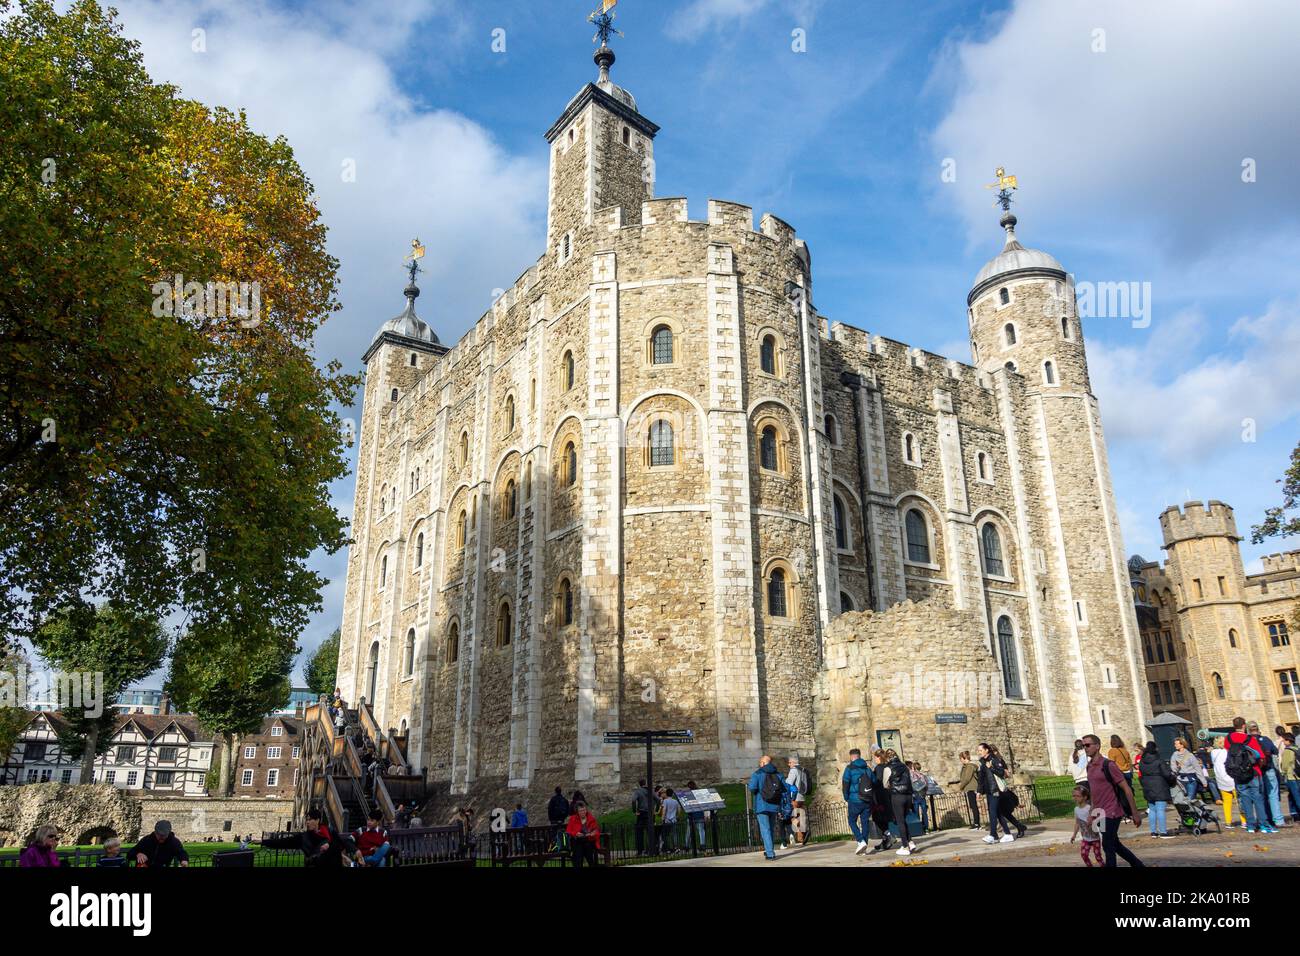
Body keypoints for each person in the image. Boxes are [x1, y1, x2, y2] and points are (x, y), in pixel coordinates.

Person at [1082, 734, 1144, 867]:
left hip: (1112, 811)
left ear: (1097, 746)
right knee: (1114, 844)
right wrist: (1091, 813)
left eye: (1087, 745)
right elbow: (1094, 792)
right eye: (1083, 746)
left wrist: (1135, 813)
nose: (1085, 748)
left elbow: (1126, 789)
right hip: (1099, 813)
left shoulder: (1108, 765)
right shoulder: (1089, 767)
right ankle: (1138, 865)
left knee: (1107, 845)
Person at [1225, 717, 1272, 834]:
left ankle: (1250, 825)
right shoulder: (1249, 738)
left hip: (1238, 774)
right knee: (1258, 799)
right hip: (1253, 772)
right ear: (1244, 726)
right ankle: (1263, 825)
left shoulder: (1228, 739)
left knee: (1245, 800)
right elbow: (1259, 756)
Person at [977, 743, 1017, 845]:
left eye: (981, 750)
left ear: (987, 750)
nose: (979, 752)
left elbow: (1002, 773)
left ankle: (992, 835)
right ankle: (1007, 834)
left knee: (993, 812)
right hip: (989, 790)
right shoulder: (982, 763)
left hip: (995, 790)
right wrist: (979, 792)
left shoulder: (994, 760)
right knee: (998, 812)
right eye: (978, 750)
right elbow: (981, 779)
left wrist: (991, 768)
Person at [880, 749, 918, 856]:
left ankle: (905, 846)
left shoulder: (888, 768)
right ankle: (910, 842)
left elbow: (884, 784)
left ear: (887, 758)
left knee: (899, 821)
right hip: (908, 795)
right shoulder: (904, 766)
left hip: (897, 796)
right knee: (903, 819)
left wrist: (891, 786)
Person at [747, 754, 785, 860]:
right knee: (771, 829)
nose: (760, 764)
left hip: (761, 804)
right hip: (774, 805)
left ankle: (770, 853)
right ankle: (769, 849)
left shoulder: (757, 774)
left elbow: (752, 788)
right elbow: (784, 787)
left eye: (760, 762)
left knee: (765, 829)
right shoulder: (778, 774)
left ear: (763, 763)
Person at [1250, 721, 1286, 828]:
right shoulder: (1265, 739)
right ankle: (1278, 820)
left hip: (1256, 772)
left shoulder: (1248, 741)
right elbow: (1274, 751)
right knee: (1273, 794)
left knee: (1260, 796)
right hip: (1269, 769)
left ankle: (1265, 819)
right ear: (1258, 730)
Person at [1138, 741, 1176, 838]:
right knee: (1160, 809)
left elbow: (1141, 773)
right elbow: (1167, 774)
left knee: (1152, 809)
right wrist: (1172, 778)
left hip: (1147, 786)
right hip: (1159, 786)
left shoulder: (1142, 761)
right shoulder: (1159, 761)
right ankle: (1163, 832)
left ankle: (1153, 832)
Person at [841, 748, 874, 854]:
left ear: (851, 757)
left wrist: (846, 797)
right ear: (859, 756)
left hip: (854, 800)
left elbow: (845, 784)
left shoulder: (849, 768)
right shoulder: (867, 768)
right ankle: (864, 847)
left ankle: (860, 841)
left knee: (851, 820)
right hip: (867, 799)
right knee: (865, 823)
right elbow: (874, 781)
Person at [1211, 736, 1247, 828]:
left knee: (1227, 802)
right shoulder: (1225, 752)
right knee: (1240, 800)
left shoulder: (1213, 753)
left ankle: (1228, 821)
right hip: (1230, 778)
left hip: (1220, 779)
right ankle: (1244, 821)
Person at [1069, 784, 1103, 867]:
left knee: (1098, 857)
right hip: (1086, 838)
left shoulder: (1089, 808)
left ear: (1085, 797)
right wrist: (1074, 835)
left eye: (1078, 796)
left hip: (1095, 837)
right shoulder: (1076, 809)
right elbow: (1077, 822)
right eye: (1074, 796)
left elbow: (1099, 819)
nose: (1075, 798)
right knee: (1084, 855)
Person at [950, 750, 981, 830]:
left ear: (964, 758)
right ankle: (976, 823)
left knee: (973, 806)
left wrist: (961, 786)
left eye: (961, 759)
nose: (960, 761)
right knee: (972, 805)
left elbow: (967, 778)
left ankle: (977, 824)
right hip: (969, 788)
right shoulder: (967, 766)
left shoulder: (970, 766)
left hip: (972, 787)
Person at [566, 802, 601, 867]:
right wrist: (576, 834)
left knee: (587, 848)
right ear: (577, 811)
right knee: (578, 852)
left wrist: (591, 834)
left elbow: (596, 830)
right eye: (581, 811)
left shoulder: (591, 818)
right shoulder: (573, 819)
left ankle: (591, 864)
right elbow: (568, 831)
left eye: (584, 810)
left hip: (589, 840)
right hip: (577, 841)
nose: (583, 812)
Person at [785, 756, 809, 847]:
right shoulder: (803, 770)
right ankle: (802, 837)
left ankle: (804, 831)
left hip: (795, 797)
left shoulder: (793, 770)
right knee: (800, 816)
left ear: (793, 762)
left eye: (789, 763)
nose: (788, 764)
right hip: (802, 797)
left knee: (792, 816)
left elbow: (789, 783)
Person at [1170, 737, 1202, 801]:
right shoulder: (1174, 754)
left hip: (1191, 780)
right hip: (1180, 780)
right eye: (1175, 744)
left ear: (1182, 745)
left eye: (1176, 744)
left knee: (1190, 799)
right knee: (1182, 800)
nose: (1175, 745)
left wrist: (1203, 780)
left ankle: (1195, 810)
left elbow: (1197, 768)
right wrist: (1175, 769)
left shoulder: (1190, 755)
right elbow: (1173, 766)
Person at [631, 779, 655, 856]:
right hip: (650, 814)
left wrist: (635, 811)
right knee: (650, 832)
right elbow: (658, 800)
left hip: (641, 813)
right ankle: (651, 850)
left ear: (639, 784)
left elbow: (633, 800)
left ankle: (640, 851)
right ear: (645, 783)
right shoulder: (650, 791)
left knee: (639, 833)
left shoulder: (638, 791)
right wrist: (655, 809)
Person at [1280, 733, 1300, 823]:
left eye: (1284, 740)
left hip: (1291, 776)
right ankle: (1294, 815)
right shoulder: (1297, 748)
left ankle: (1295, 814)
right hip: (1298, 776)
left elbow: (1285, 765)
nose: (1283, 742)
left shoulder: (1288, 750)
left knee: (1296, 797)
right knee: (1292, 796)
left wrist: (1282, 773)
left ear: (1288, 740)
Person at [683, 780, 706, 848]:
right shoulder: (699, 794)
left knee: (689, 832)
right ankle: (702, 844)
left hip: (692, 814)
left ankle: (687, 845)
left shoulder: (688, 794)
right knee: (701, 831)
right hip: (700, 814)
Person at [547, 786, 571, 850]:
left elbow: (549, 809)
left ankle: (554, 848)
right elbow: (567, 810)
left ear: (555, 791)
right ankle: (561, 847)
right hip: (561, 821)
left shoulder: (553, 799)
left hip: (554, 821)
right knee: (561, 834)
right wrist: (562, 818)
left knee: (553, 835)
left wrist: (551, 819)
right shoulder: (564, 800)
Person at [660, 786, 681, 853]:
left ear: (666, 793)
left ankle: (668, 848)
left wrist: (662, 818)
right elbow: (679, 809)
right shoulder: (675, 801)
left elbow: (664, 810)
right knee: (675, 834)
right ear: (672, 794)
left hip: (667, 820)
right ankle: (676, 847)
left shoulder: (665, 801)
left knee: (666, 835)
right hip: (674, 819)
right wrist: (678, 816)